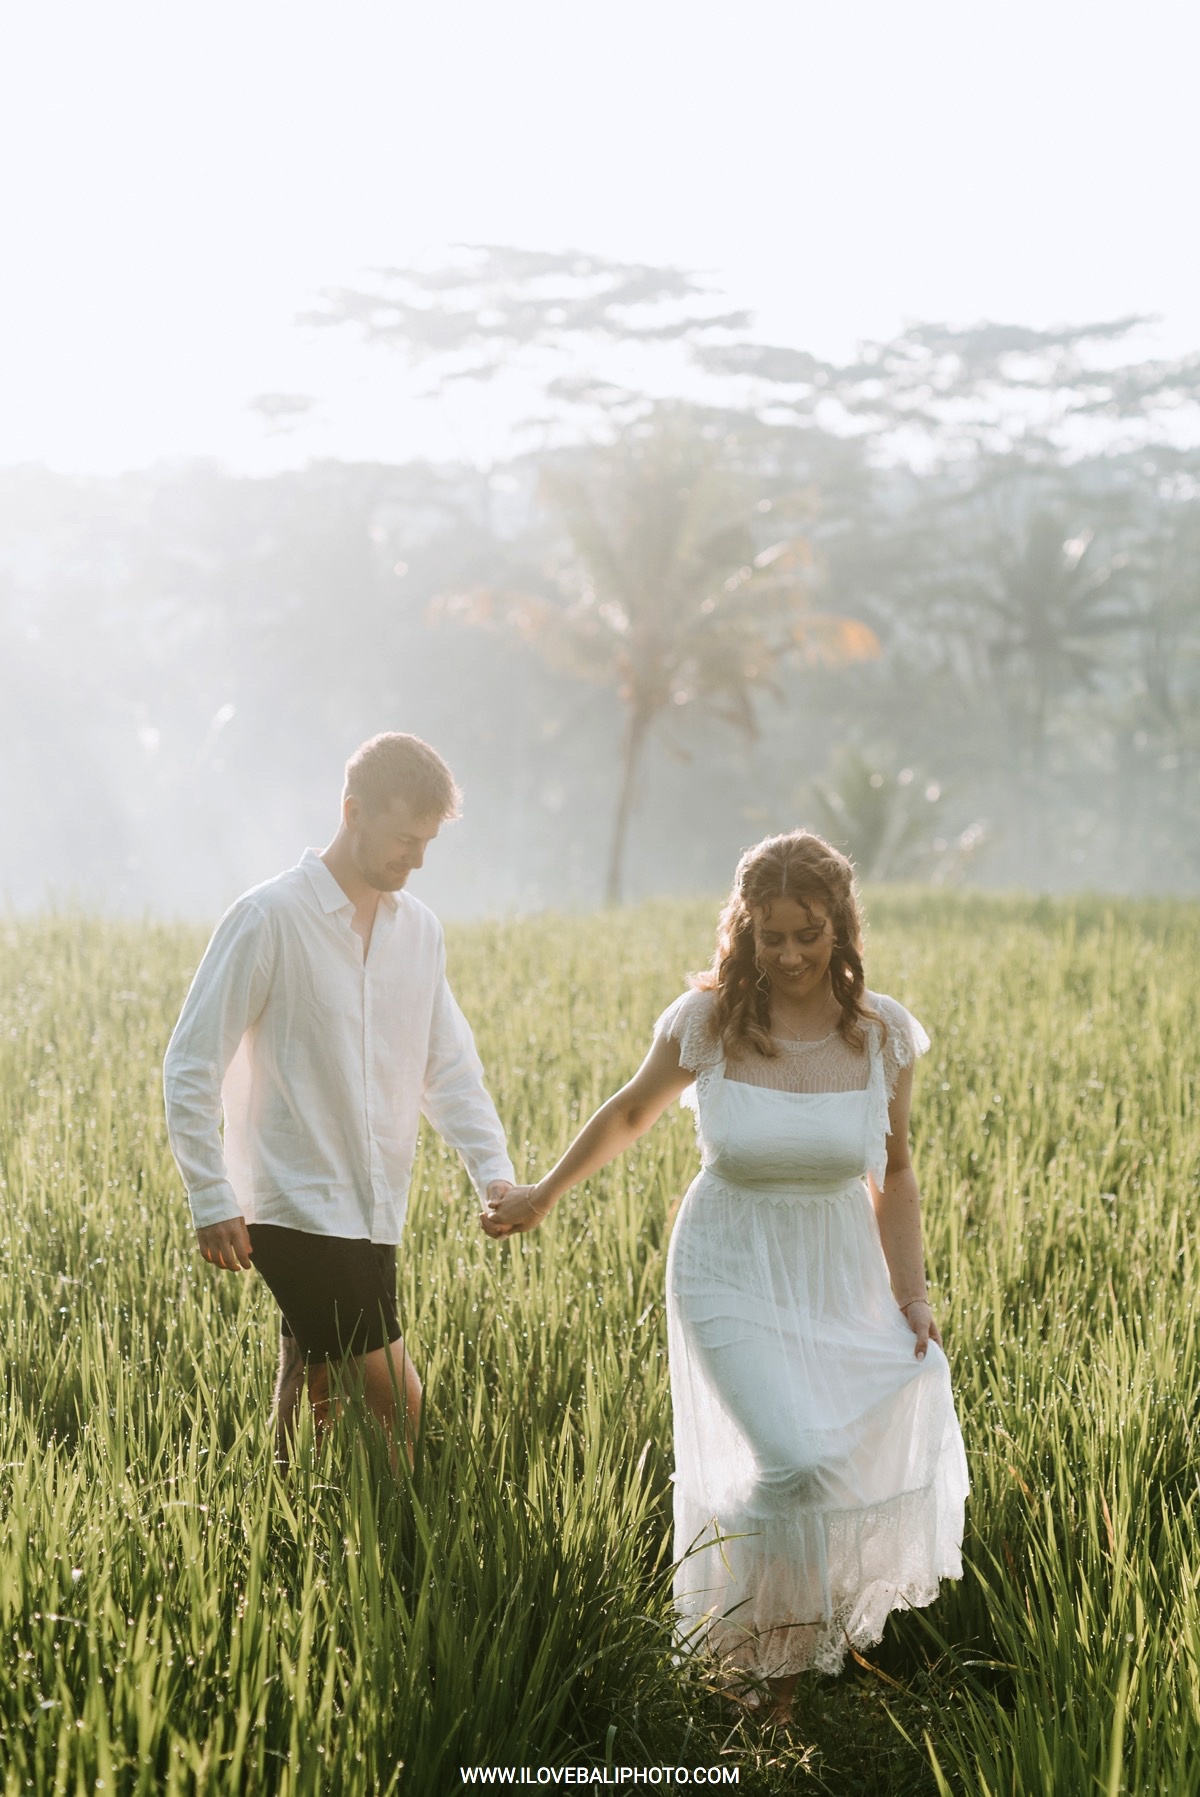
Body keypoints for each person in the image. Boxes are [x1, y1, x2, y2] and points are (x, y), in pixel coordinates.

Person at [482, 830, 967, 1723]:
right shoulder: (709, 1021)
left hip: (836, 1271)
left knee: (822, 1464)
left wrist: (913, 1295)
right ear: (746, 928)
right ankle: (757, 1670)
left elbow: (895, 1171)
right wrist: (543, 1193)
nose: (789, 954)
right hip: (727, 1262)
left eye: (807, 933)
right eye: (770, 934)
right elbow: (632, 1109)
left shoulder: (881, 1035)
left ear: (841, 926)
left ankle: (764, 1670)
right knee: (795, 1459)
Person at [164, 732, 514, 1469]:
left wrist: (494, 1173)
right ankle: (411, 1530)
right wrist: (209, 1194)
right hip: (292, 1204)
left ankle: (285, 1511)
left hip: (376, 1206)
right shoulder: (268, 917)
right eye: (405, 839)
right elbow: (191, 1063)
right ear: (353, 812)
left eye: (428, 843)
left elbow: (449, 1069)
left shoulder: (419, 932)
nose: (417, 860)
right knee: (397, 1401)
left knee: (315, 1382)